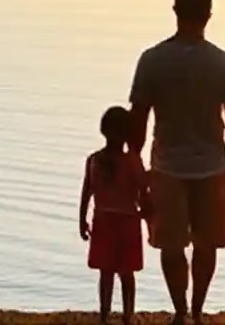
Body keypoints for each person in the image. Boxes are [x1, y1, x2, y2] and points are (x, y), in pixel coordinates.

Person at [129, 0, 225, 325]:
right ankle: (197, 310)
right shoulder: (223, 63)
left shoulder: (152, 60)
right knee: (207, 243)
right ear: (209, 14)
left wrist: (133, 159)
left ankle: (180, 311)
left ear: (174, 10)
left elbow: (138, 115)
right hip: (212, 165)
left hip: (166, 164)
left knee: (171, 244)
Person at [80, 106, 151, 325]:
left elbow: (87, 192)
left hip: (103, 221)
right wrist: (149, 218)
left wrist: (81, 219)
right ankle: (128, 315)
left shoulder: (94, 160)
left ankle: (104, 314)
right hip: (128, 222)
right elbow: (142, 193)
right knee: (127, 274)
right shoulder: (132, 161)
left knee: (106, 273)